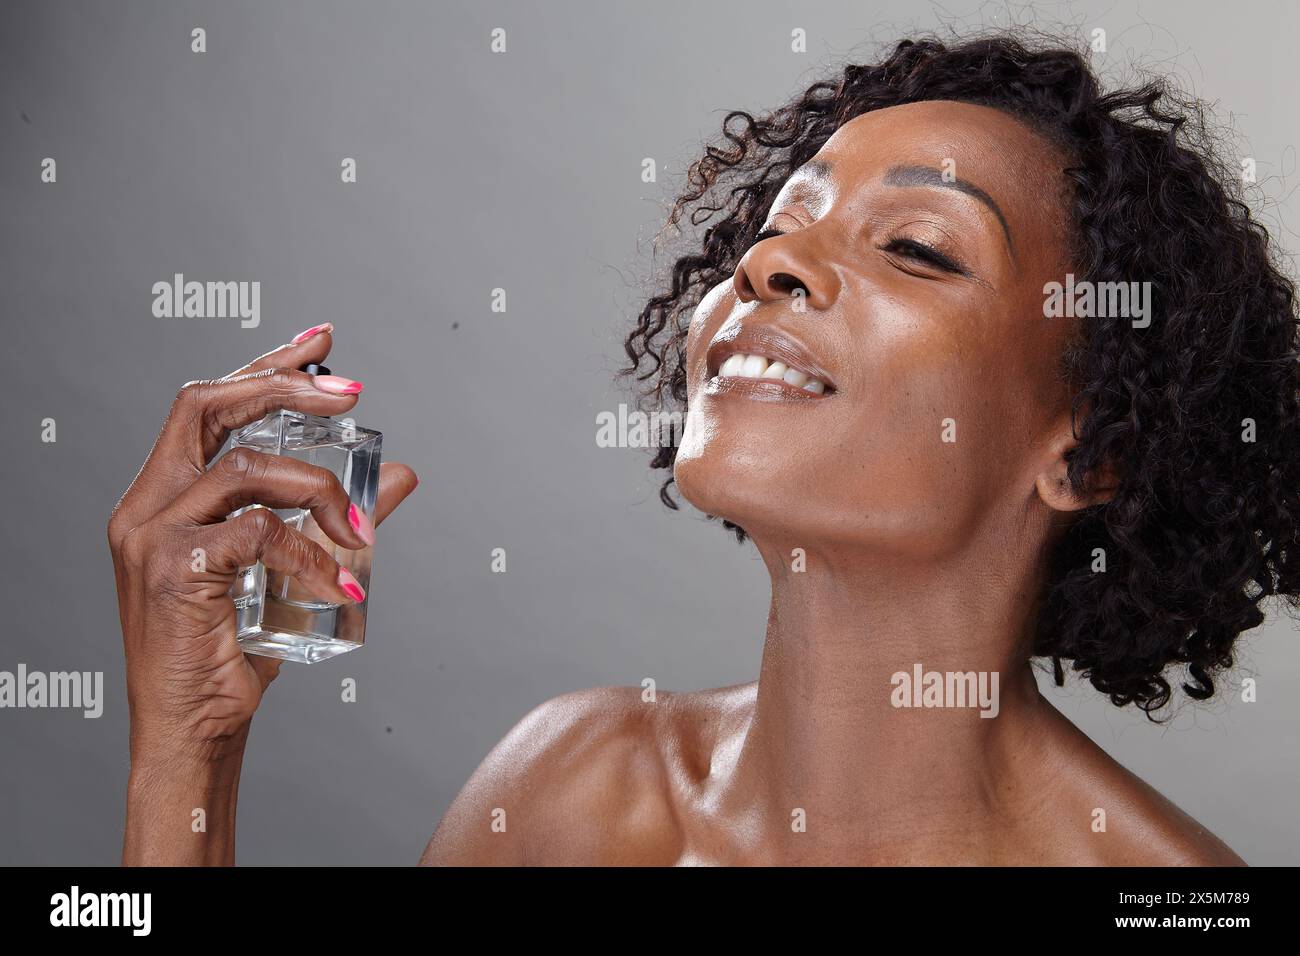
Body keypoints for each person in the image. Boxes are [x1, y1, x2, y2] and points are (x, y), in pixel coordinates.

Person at [111, 35, 1297, 866]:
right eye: (782, 223)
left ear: (1086, 449)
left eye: (920, 249)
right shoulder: (574, 789)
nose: (766, 265)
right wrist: (185, 758)